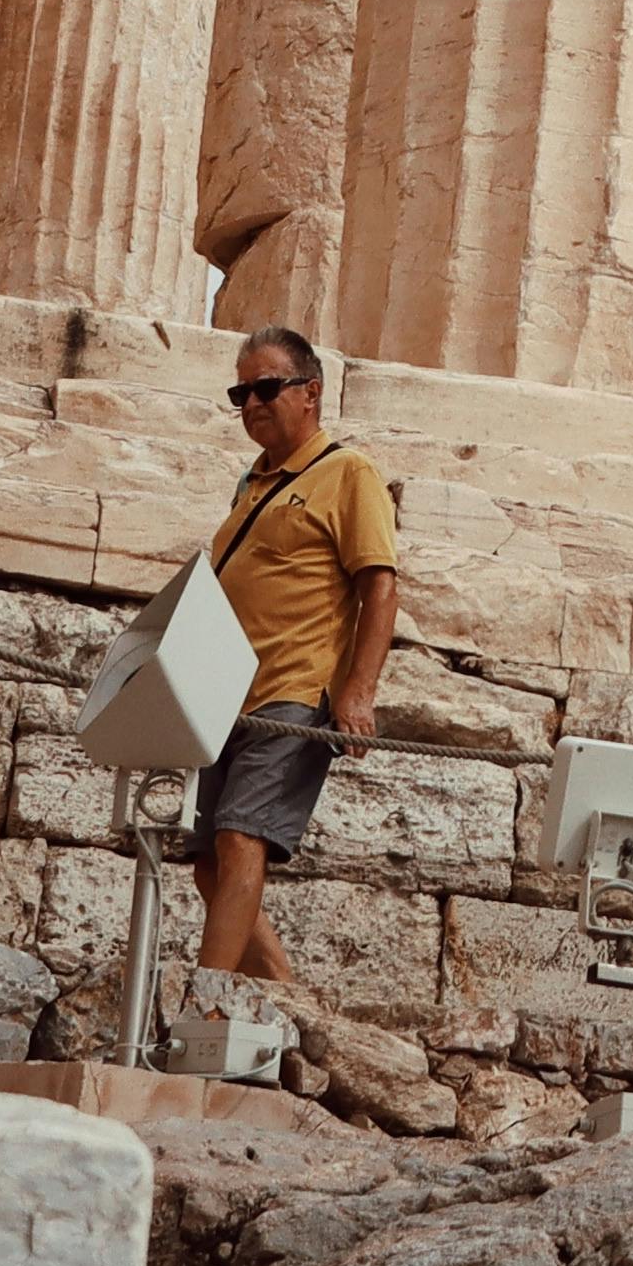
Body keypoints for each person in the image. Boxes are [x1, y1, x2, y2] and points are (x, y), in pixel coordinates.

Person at [179, 330, 398, 994]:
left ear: (311, 393)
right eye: (240, 392)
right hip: (222, 693)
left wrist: (358, 693)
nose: (251, 402)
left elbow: (380, 584)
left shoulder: (348, 472)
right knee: (209, 864)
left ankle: (207, 1008)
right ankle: (289, 997)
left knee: (243, 839)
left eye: (266, 387)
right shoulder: (253, 481)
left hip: (292, 691)